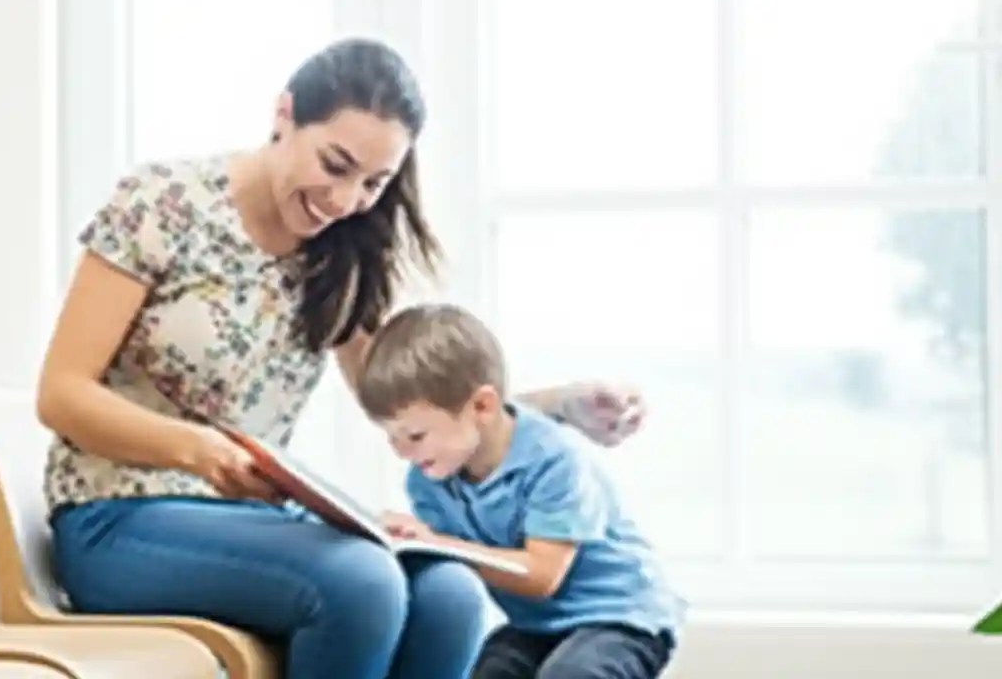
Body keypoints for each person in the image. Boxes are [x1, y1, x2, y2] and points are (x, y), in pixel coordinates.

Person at [35, 36, 646, 679]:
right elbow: (61, 393)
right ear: (284, 115)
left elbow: (413, 396)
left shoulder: (338, 252)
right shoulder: (161, 205)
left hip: (251, 522)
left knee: (450, 593)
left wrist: (565, 406)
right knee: (361, 584)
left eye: (373, 183)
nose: (345, 199)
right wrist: (200, 451)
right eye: (335, 164)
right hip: (117, 519)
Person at [357, 303, 684, 679]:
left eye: (415, 435)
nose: (401, 452)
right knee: (489, 671)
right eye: (391, 437)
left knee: (571, 674)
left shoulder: (554, 460)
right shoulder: (428, 479)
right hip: (539, 626)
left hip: (621, 614)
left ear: (482, 406)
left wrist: (437, 542)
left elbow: (542, 576)